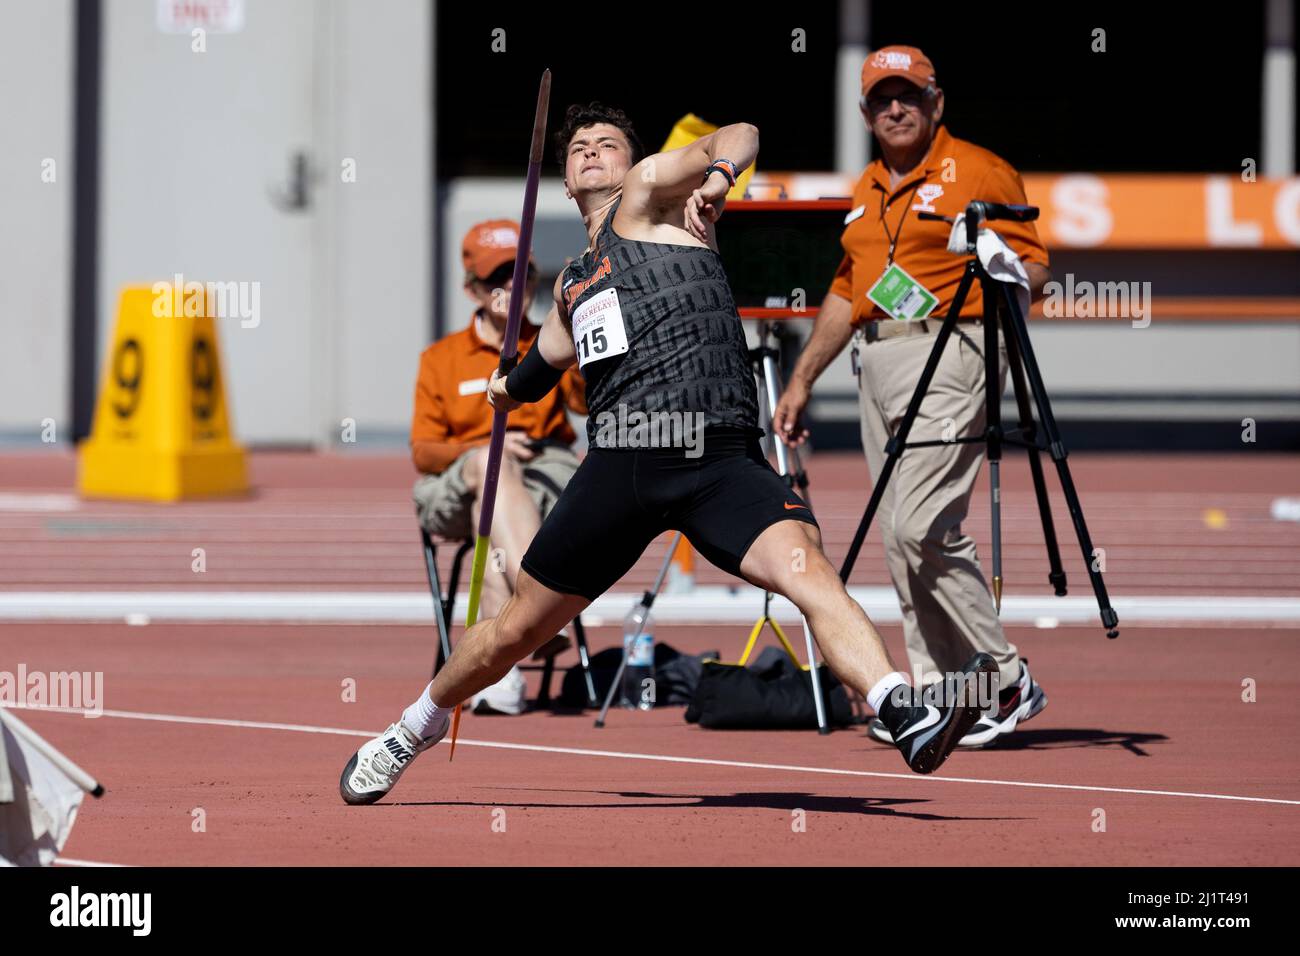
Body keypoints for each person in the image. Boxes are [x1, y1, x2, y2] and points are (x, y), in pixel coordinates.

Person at [340, 102, 995, 806]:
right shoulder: (570, 284)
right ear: (563, 181)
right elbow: (544, 364)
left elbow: (742, 131)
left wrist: (715, 174)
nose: (592, 152)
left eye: (608, 144)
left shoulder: (656, 197)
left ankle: (902, 710)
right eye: (579, 147)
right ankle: (410, 730)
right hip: (623, 464)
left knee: (809, 570)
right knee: (512, 631)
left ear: (633, 163)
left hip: (720, 459)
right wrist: (507, 387)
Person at [772, 46, 1050, 747]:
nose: (894, 108)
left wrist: (998, 269)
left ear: (936, 103)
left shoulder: (979, 168)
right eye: (880, 99)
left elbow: (1034, 266)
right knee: (901, 546)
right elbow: (846, 290)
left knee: (917, 527)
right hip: (879, 358)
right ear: (865, 113)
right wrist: (803, 380)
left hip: (951, 347)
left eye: (908, 96)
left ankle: (1008, 679)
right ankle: (940, 695)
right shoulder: (864, 187)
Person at [410, 219, 587, 714]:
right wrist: (493, 446)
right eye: (497, 278)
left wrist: (579, 339)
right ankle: (539, 613)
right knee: (486, 465)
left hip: (541, 478)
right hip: (458, 481)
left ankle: (499, 669)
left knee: (487, 539)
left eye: (521, 275)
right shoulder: (440, 359)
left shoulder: (552, 342)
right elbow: (424, 451)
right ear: (472, 288)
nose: (511, 287)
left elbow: (586, 405)